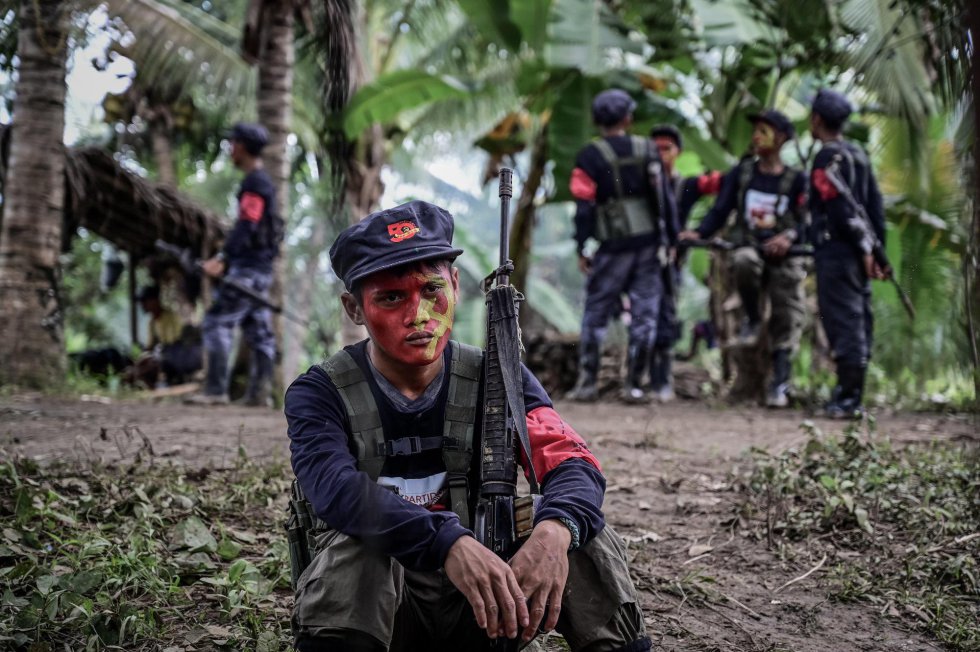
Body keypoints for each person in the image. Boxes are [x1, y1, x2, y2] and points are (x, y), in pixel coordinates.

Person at [285, 200, 651, 652]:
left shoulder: (501, 378)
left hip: (491, 608)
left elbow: (572, 461)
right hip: (384, 622)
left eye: (432, 290)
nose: (418, 315)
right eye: (391, 297)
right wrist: (447, 543)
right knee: (357, 550)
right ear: (354, 308)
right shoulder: (320, 392)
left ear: (456, 285)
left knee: (580, 532)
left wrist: (555, 531)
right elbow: (336, 490)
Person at [679, 110, 808, 407]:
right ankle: (751, 316)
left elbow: (807, 221)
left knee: (787, 311)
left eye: (765, 130)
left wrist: (788, 237)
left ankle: (780, 382)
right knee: (744, 261)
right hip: (749, 247)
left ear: (782, 139)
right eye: (756, 130)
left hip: (785, 256)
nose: (756, 136)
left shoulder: (796, 179)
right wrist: (698, 233)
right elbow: (721, 209)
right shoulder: (743, 173)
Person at [567, 89, 678, 403]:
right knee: (645, 315)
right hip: (648, 247)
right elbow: (664, 199)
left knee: (596, 313)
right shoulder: (648, 149)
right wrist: (670, 239)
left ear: (595, 120)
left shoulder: (589, 156)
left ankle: (588, 383)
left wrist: (581, 246)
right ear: (628, 118)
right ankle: (633, 385)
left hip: (611, 249)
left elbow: (584, 206)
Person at [185, 122, 281, 407]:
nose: (230, 148)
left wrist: (222, 258)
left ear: (241, 146)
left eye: (233, 143)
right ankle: (259, 396)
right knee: (259, 331)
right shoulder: (263, 183)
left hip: (248, 270)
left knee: (217, 321)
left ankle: (215, 390)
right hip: (262, 271)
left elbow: (247, 224)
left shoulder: (255, 183)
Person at [808, 90, 887, 419]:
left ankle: (848, 399)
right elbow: (875, 207)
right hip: (858, 250)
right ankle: (850, 394)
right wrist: (877, 250)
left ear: (816, 120)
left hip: (839, 251)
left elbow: (840, 208)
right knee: (858, 319)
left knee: (845, 321)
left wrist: (863, 246)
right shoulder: (858, 154)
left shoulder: (826, 158)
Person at [647, 124, 722, 401]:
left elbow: (723, 184)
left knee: (666, 315)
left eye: (666, 148)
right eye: (655, 149)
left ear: (678, 151)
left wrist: (700, 231)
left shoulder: (686, 186)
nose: (661, 154)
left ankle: (661, 381)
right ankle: (639, 377)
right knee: (643, 317)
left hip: (671, 265)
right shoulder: (639, 185)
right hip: (642, 264)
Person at [136, 285, 202, 386]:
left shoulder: (171, 316)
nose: (143, 305)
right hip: (168, 355)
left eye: (145, 301)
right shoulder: (152, 323)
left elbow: (175, 342)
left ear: (154, 301)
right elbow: (150, 347)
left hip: (181, 354)